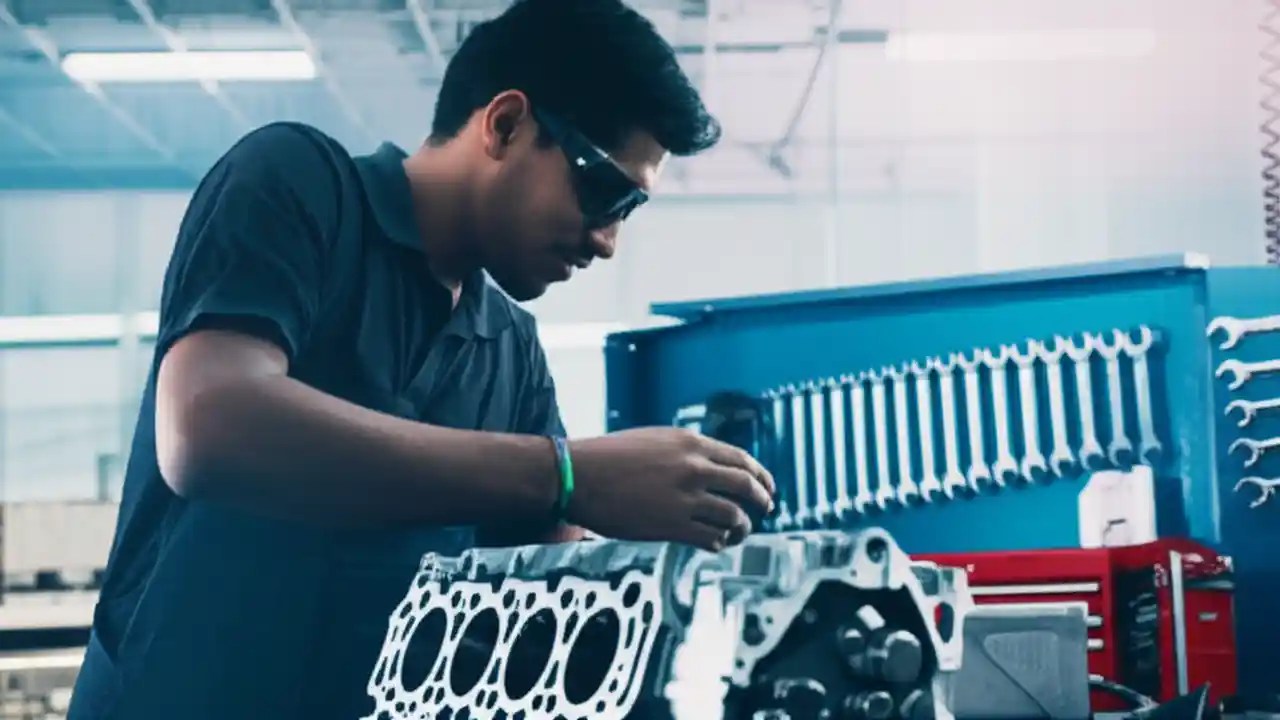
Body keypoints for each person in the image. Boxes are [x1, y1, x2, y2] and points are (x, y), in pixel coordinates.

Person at [67, 0, 775, 717]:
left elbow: (547, 593)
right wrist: (567, 472)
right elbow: (207, 429)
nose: (606, 241)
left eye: (630, 212)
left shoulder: (512, 353)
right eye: (603, 191)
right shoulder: (299, 185)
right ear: (504, 124)